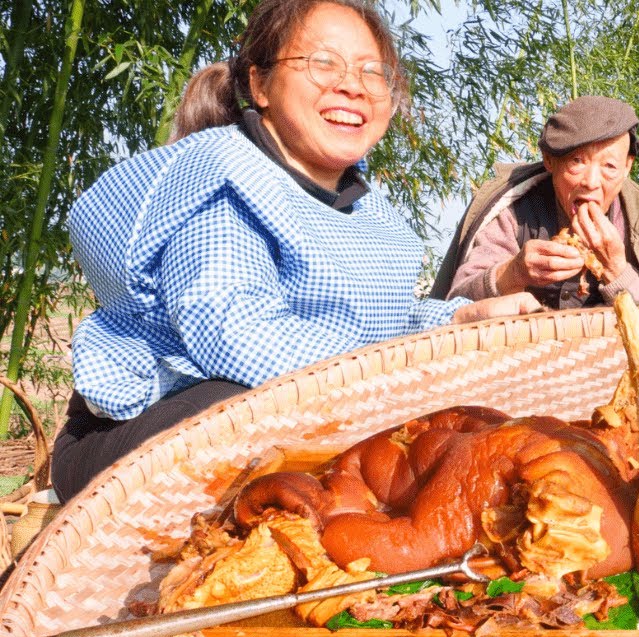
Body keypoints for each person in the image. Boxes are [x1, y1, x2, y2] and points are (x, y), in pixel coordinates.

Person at [52, 0, 539, 502]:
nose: (353, 85)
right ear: (259, 84)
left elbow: (383, 326)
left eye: (373, 72)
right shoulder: (222, 178)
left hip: (286, 413)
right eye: (322, 63)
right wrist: (410, 378)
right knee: (248, 406)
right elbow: (237, 337)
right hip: (137, 434)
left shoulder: (371, 214)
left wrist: (462, 320)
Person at [429, 95, 639, 309]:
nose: (592, 182)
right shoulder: (514, 212)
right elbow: (458, 303)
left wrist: (616, 269)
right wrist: (514, 272)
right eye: (576, 162)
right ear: (550, 161)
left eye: (609, 166)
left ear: (628, 167)